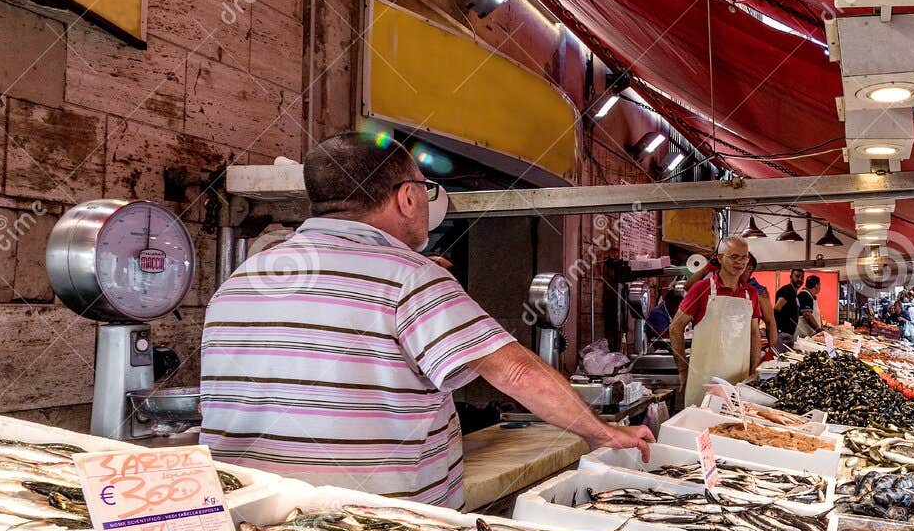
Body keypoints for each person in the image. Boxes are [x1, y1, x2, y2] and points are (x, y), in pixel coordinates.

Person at [200, 132, 651, 508]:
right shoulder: (412, 277)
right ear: (407, 197)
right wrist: (602, 433)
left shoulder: (243, 279)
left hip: (249, 522)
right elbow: (514, 372)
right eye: (425, 189)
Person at [670, 236, 768, 403]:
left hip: (739, 380)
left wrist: (753, 368)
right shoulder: (701, 288)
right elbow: (675, 327)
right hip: (704, 380)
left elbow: (754, 333)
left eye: (744, 257)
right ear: (720, 258)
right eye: (734, 257)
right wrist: (683, 369)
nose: (740, 262)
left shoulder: (750, 293)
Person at [773, 267, 804, 350]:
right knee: (782, 356)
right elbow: (777, 308)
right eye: (797, 276)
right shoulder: (787, 291)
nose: (800, 279)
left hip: (789, 334)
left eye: (802, 277)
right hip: (783, 334)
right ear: (791, 277)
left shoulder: (794, 292)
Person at [795, 274, 823, 339]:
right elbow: (807, 315)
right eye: (820, 284)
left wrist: (821, 326)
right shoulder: (805, 295)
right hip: (802, 335)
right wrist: (818, 329)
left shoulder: (811, 296)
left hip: (808, 334)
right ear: (816, 285)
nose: (820, 287)